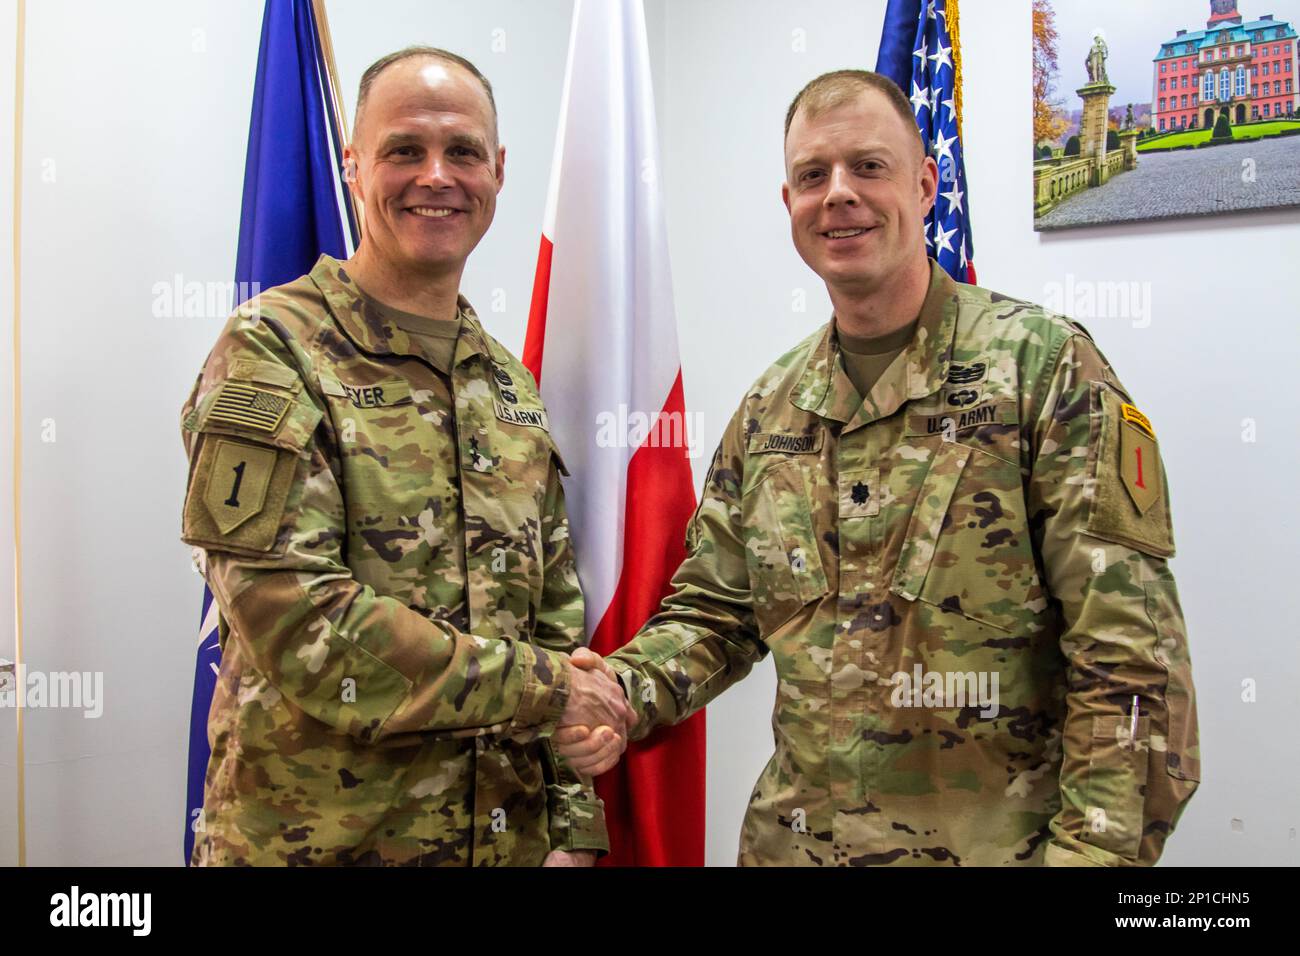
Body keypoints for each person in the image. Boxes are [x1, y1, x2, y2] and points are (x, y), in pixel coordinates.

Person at [558, 70, 1200, 866]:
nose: (838, 195)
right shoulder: (772, 408)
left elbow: (1130, 668)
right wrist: (616, 695)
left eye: (868, 166)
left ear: (925, 185)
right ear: (788, 203)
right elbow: (714, 616)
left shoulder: (1042, 371)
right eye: (811, 176)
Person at [180, 46, 634, 867]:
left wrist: (570, 831)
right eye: (403, 150)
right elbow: (300, 620)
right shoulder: (273, 351)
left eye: (462, 151)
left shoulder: (507, 385)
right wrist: (547, 691)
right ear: (354, 167)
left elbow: (556, 621)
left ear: (497, 172)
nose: (436, 175)